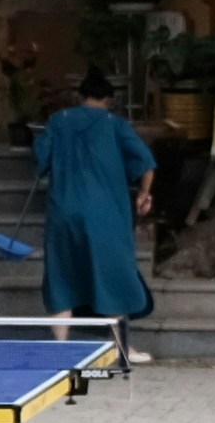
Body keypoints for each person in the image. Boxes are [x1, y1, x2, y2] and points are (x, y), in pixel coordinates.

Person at [32, 71, 154, 349]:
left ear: (81, 97)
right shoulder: (115, 124)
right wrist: (145, 194)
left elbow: (40, 160)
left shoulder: (58, 120)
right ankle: (119, 348)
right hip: (107, 215)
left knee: (61, 276)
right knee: (113, 275)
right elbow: (146, 163)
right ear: (108, 100)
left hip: (64, 211)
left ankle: (60, 348)